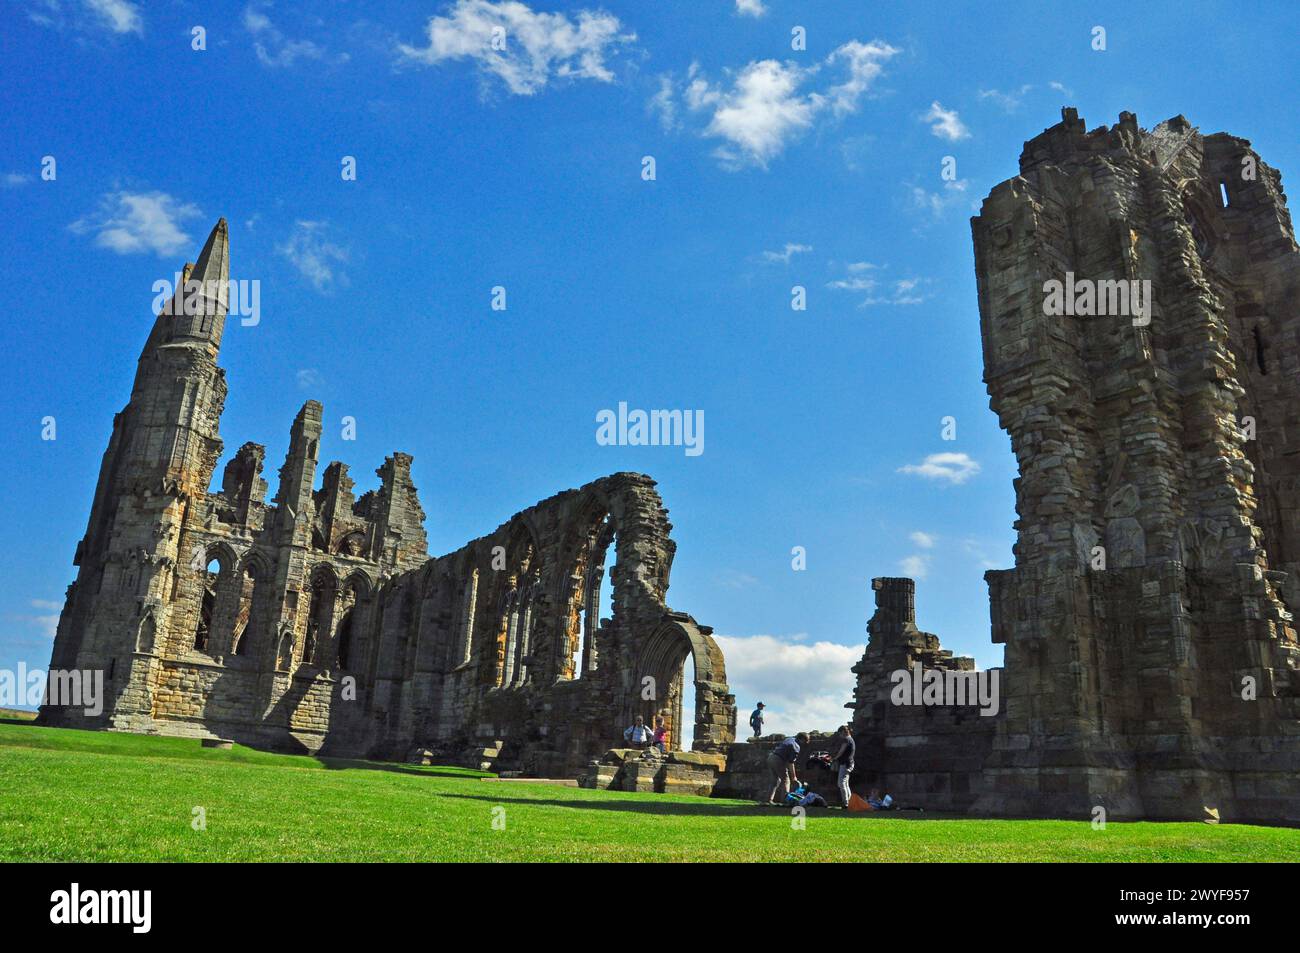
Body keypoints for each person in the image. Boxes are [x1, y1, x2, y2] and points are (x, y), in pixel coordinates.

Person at [762, 731, 808, 805]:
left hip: (771, 757)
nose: (804, 743)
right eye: (805, 741)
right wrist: (794, 777)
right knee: (786, 780)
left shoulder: (789, 739)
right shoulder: (796, 746)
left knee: (775, 781)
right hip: (778, 759)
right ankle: (785, 800)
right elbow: (790, 763)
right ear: (802, 739)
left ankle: (768, 800)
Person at [829, 724, 856, 807]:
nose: (840, 735)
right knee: (845, 784)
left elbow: (841, 751)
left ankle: (846, 804)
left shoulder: (846, 740)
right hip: (849, 763)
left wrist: (834, 758)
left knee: (841, 783)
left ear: (843, 732)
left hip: (845, 764)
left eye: (840, 733)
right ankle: (850, 802)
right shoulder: (851, 739)